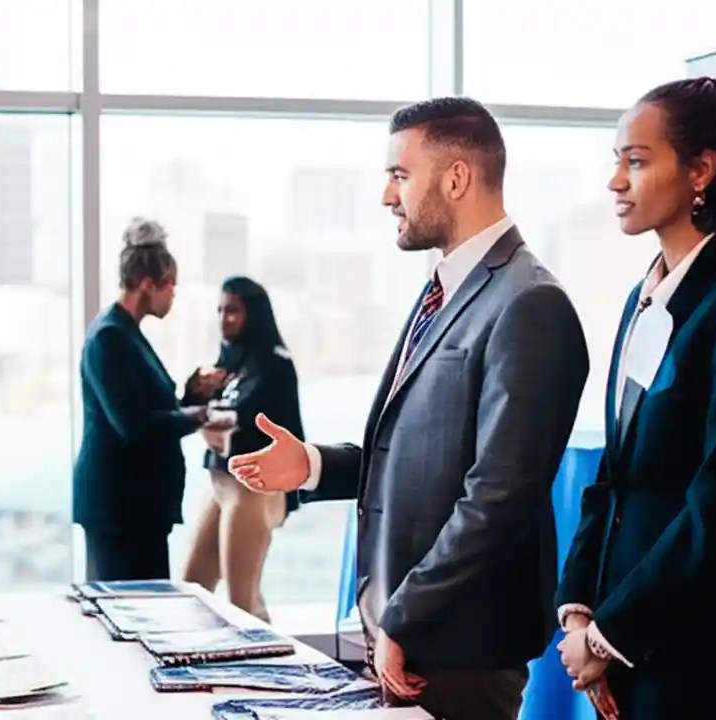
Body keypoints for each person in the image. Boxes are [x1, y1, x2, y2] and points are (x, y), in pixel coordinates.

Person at [228, 98, 590, 719]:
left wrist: (403, 614)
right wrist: (314, 465)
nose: (385, 196)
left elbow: (497, 498)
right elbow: (424, 456)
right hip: (415, 639)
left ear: (456, 178)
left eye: (399, 174)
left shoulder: (530, 304)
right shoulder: (445, 286)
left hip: (461, 647)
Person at [554, 77, 716, 720]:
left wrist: (612, 636)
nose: (616, 181)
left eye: (636, 161)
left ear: (701, 170)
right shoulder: (644, 299)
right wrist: (583, 607)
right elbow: (616, 469)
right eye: (616, 161)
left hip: (709, 635)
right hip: (628, 623)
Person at [73, 217, 215, 581]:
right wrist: (200, 414)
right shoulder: (109, 338)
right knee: (128, 608)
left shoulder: (128, 335)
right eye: (170, 287)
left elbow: (146, 410)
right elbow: (134, 426)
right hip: (121, 509)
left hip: (138, 507)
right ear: (148, 285)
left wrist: (188, 394)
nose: (173, 296)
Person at [180, 276, 304, 622]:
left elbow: (247, 417)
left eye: (233, 310)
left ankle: (272, 673)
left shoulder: (274, 364)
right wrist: (195, 392)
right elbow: (195, 414)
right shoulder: (230, 365)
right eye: (220, 310)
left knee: (242, 603)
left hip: (253, 488)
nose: (224, 318)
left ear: (254, 313)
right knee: (192, 587)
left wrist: (210, 414)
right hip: (221, 484)